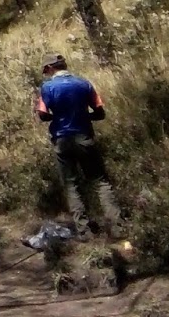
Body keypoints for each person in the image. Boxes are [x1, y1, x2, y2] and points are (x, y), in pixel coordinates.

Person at [36, 52, 121, 236]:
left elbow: (42, 114)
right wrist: (84, 116)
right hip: (84, 137)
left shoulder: (47, 87)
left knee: (71, 184)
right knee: (100, 182)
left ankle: (84, 230)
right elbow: (100, 113)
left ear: (50, 68)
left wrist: (57, 117)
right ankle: (116, 226)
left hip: (61, 140)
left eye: (46, 70)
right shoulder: (84, 84)